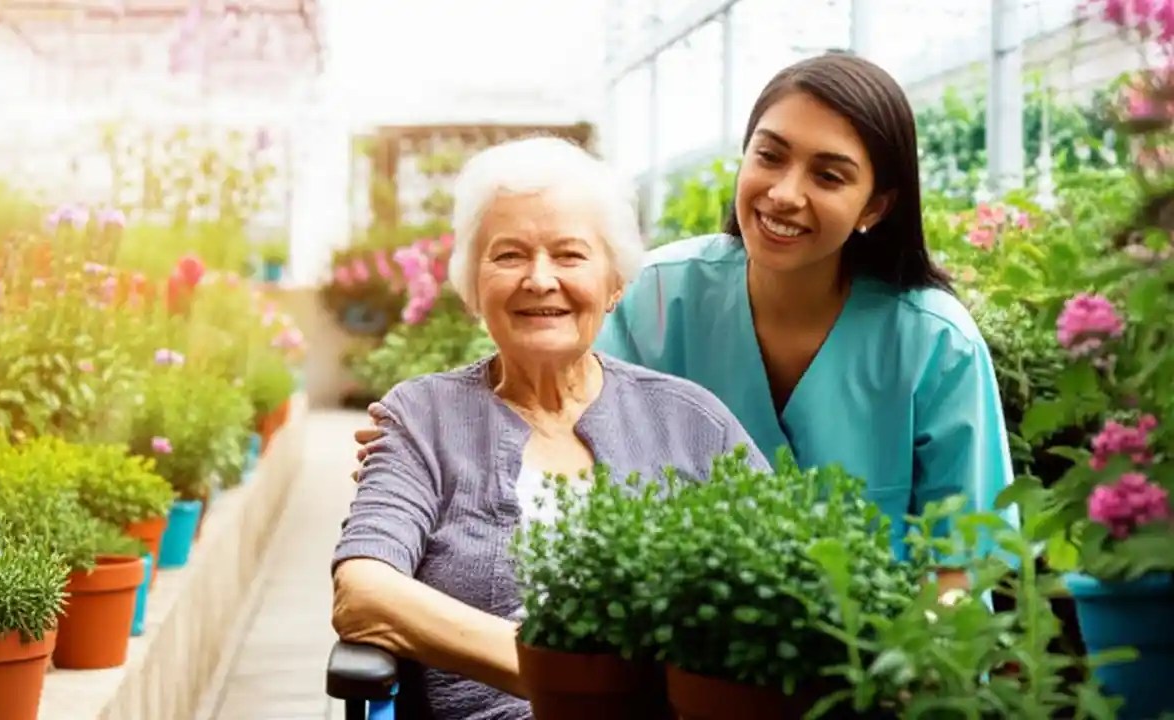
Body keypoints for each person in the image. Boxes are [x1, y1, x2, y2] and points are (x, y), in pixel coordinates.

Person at [352, 53, 1014, 591]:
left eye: (829, 175)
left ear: (878, 204)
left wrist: (892, 675)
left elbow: (965, 560)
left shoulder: (933, 344)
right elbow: (550, 399)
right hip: (690, 653)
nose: (785, 192)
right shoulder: (659, 296)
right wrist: (424, 447)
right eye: (770, 155)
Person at [331, 136, 771, 720]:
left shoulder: (693, 421)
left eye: (569, 255)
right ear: (473, 285)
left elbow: (784, 592)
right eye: (509, 255)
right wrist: (573, 678)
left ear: (615, 283)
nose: (540, 279)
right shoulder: (421, 418)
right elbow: (363, 591)